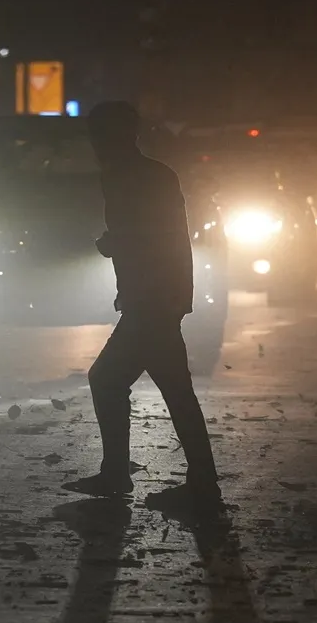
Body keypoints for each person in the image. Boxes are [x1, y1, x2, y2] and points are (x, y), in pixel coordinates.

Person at [63, 101, 221, 505]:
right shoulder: (144, 174)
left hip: (152, 298)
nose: (96, 145)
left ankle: (121, 475)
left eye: (100, 136)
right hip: (157, 297)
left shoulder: (134, 177)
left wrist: (112, 244)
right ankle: (197, 481)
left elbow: (147, 235)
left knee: (111, 380)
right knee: (171, 389)